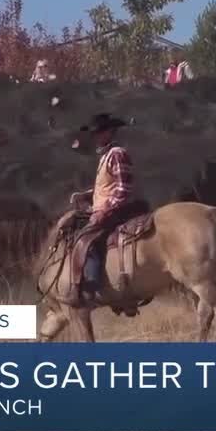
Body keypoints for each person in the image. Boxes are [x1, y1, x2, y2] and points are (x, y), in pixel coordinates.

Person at [67, 114, 150, 302]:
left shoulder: (117, 154)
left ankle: (93, 285)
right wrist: (86, 195)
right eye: (95, 133)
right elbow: (107, 186)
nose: (95, 137)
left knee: (87, 237)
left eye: (99, 133)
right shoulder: (106, 155)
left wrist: (105, 210)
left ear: (109, 132)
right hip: (108, 207)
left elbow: (123, 188)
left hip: (118, 209)